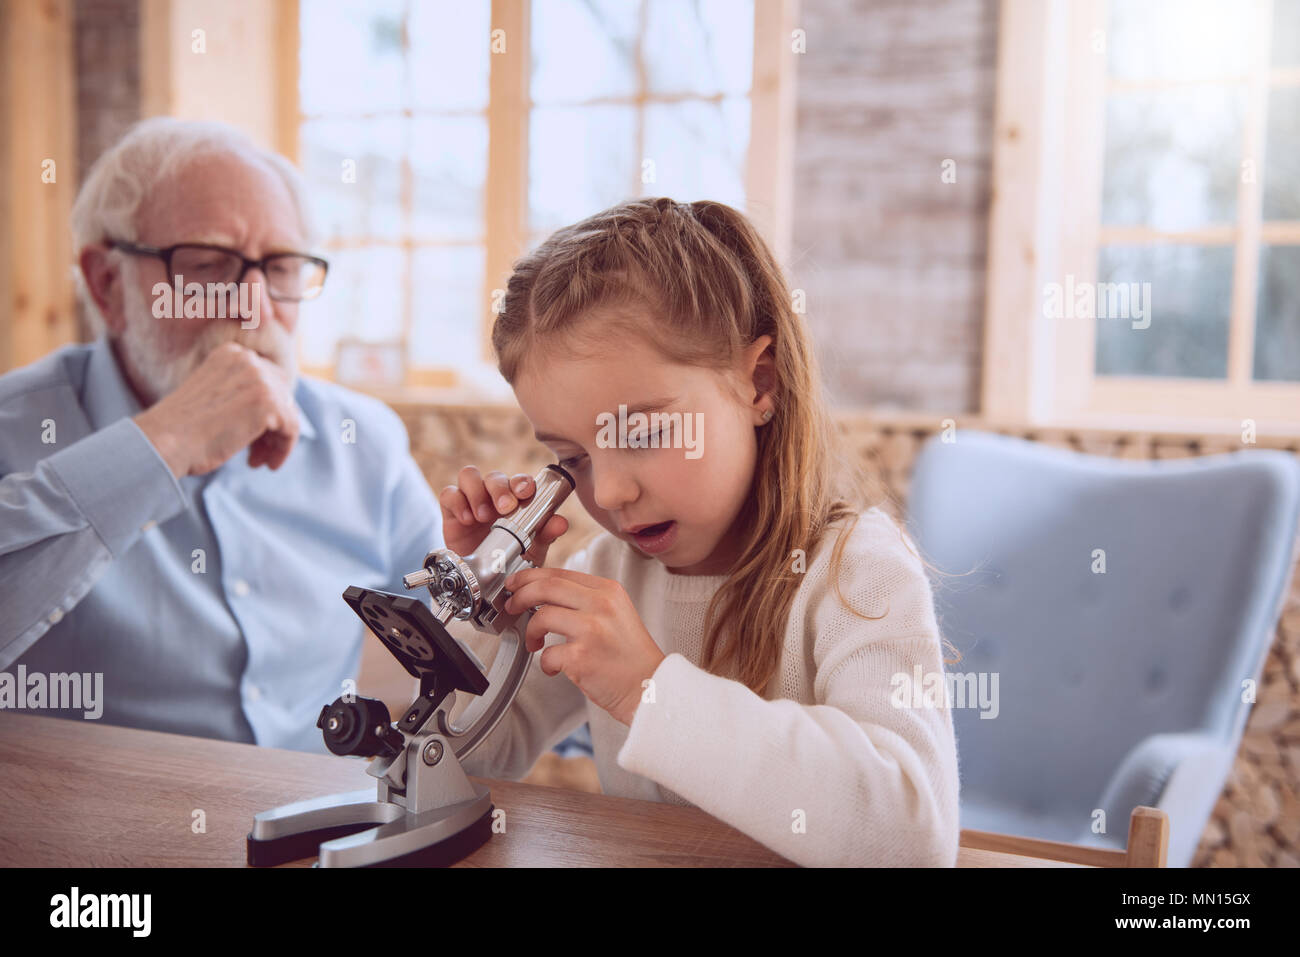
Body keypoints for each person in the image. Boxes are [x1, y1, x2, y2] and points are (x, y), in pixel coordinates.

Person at [438, 197, 962, 866]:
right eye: (572, 459)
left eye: (645, 432)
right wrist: (491, 603)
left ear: (758, 384)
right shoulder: (608, 571)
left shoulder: (858, 571)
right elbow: (467, 759)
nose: (609, 490)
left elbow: (910, 838)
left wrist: (651, 689)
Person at [0, 117, 540, 754]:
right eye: (206, 264)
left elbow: (455, 642)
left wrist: (494, 588)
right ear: (108, 284)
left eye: (281, 267)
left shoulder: (361, 441)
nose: (253, 305)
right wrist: (162, 442)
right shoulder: (16, 430)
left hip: (317, 833)